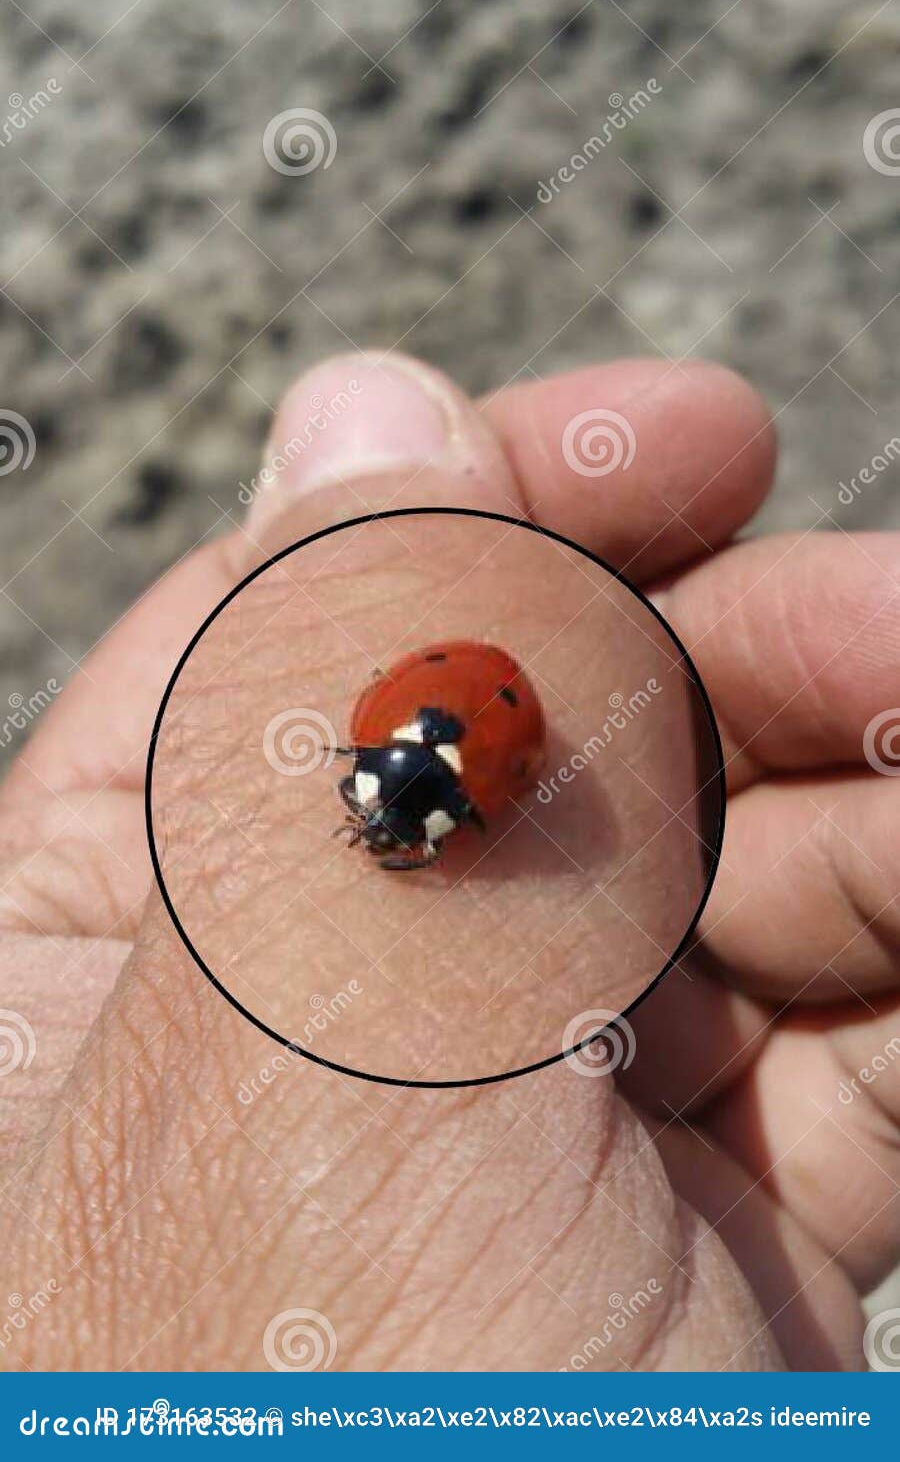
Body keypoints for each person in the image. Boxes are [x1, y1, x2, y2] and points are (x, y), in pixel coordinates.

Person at [1, 351, 897, 1372]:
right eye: (384, 826)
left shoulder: (453, 786)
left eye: (387, 831)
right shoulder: (425, 776)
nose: (379, 840)